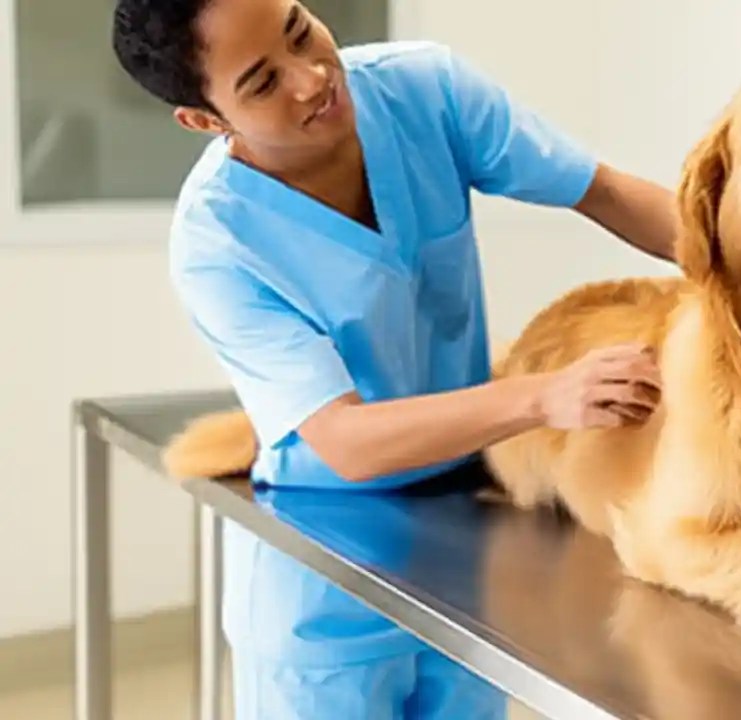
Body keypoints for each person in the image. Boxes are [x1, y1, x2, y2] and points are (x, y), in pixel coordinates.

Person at [111, 0, 675, 717]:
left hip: (463, 535)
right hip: (323, 573)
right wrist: (543, 397)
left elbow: (606, 193)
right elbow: (345, 442)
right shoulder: (218, 244)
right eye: (262, 82)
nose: (312, 77)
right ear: (205, 119)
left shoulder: (424, 92)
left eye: (300, 30)